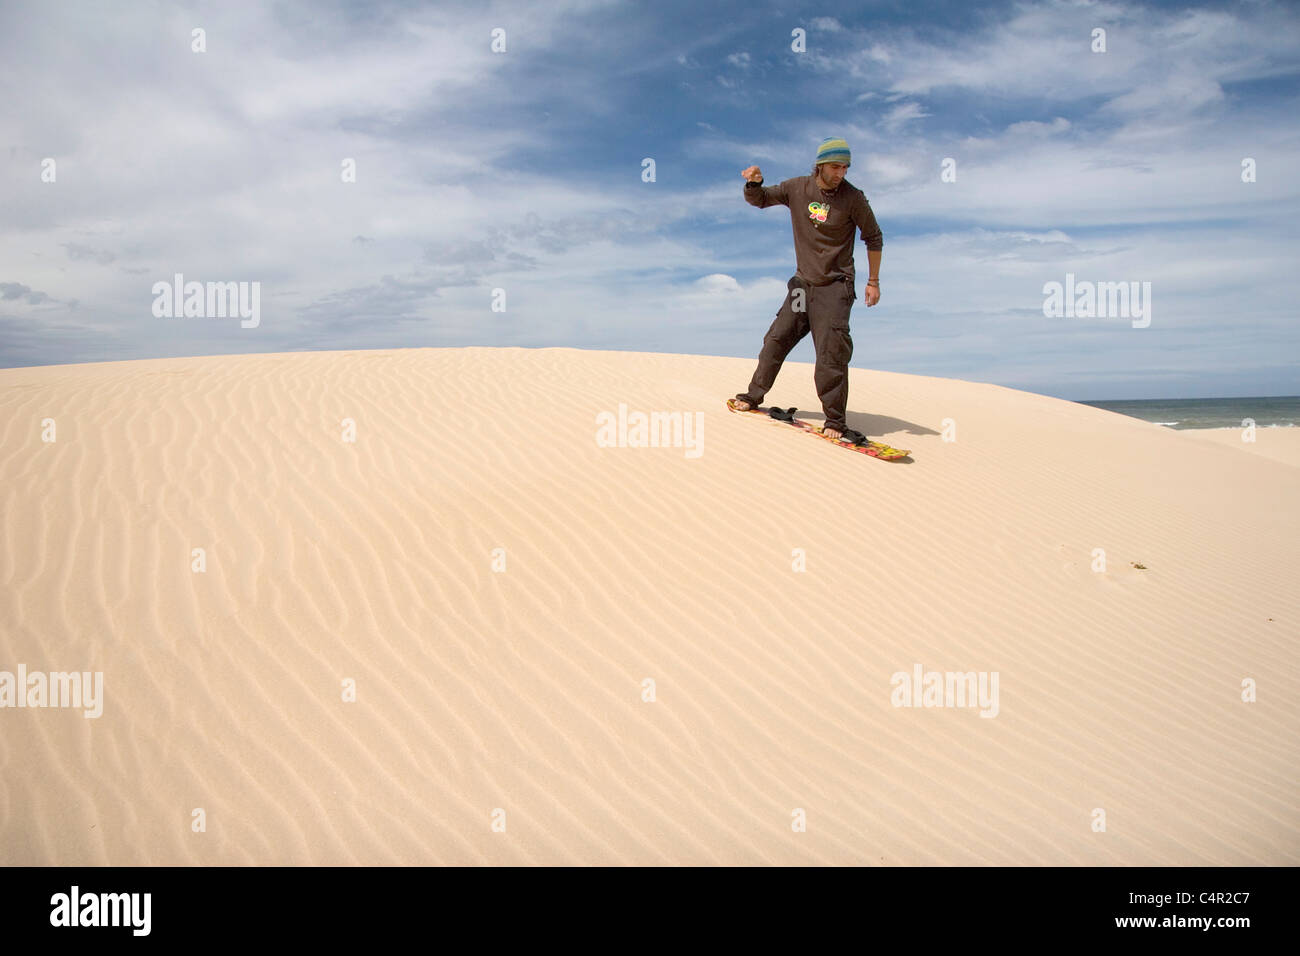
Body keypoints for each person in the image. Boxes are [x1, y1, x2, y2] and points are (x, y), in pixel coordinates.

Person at [733, 137, 883, 442]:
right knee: (776, 339)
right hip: (803, 285)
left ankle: (835, 421)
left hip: (835, 287)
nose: (841, 173)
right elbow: (760, 199)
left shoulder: (854, 198)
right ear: (821, 165)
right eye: (835, 166)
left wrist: (873, 282)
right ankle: (752, 396)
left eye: (845, 167)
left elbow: (874, 238)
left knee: (830, 355)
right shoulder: (797, 188)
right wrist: (754, 184)